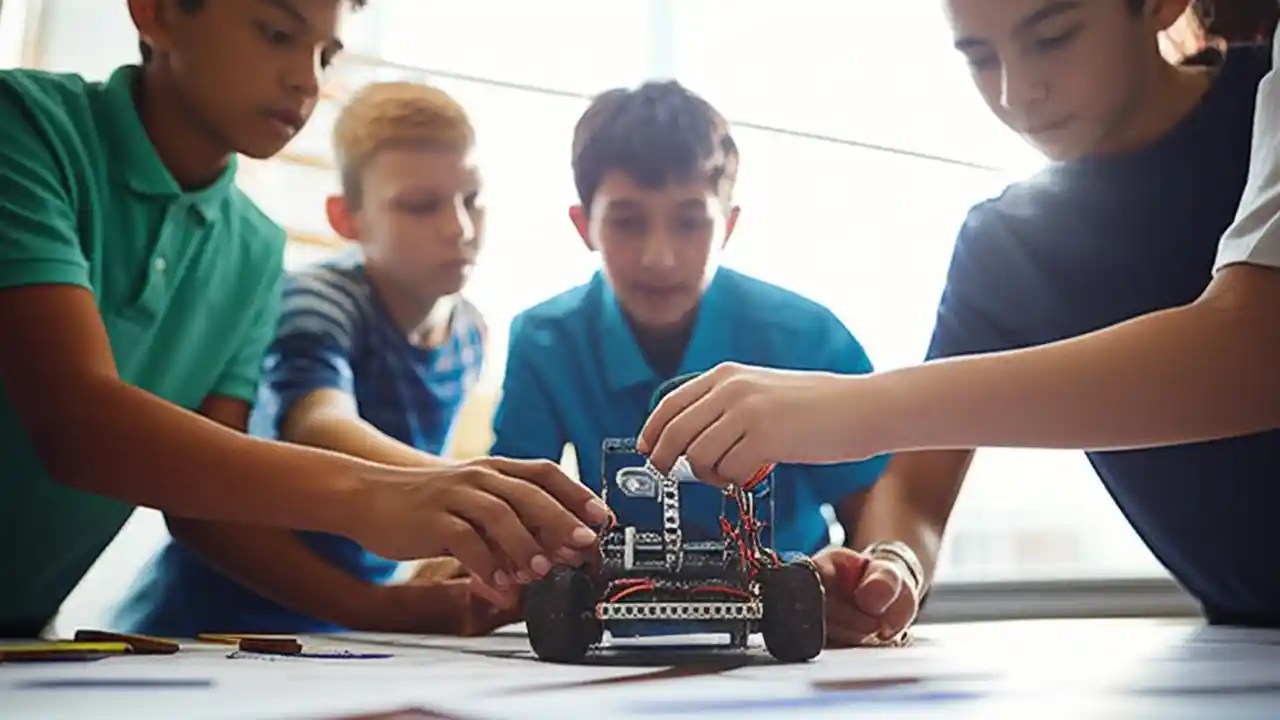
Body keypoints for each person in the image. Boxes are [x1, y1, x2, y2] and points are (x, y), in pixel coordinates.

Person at [638, 0, 1280, 643]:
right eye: (978, 57)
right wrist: (889, 564)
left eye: (1053, 38)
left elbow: (1254, 348)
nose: (1016, 92)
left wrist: (853, 407)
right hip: (1249, 641)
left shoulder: (1264, 103)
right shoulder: (1008, 243)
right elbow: (916, 490)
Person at [0, 0, 603, 639]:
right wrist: (385, 493)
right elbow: (74, 422)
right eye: (278, 34)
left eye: (325, 56)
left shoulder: (255, 248)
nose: (308, 82)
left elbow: (203, 509)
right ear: (158, 12)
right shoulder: (26, 126)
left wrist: (382, 607)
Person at [113, 81, 525, 636]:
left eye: (471, 198)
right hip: (210, 623)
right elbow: (317, 421)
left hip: (340, 629)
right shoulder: (318, 299)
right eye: (420, 205)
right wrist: (471, 485)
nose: (460, 227)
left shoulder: (470, 331)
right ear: (345, 219)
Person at [490, 80, 888, 570]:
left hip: (788, 615)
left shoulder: (810, 337)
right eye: (628, 222)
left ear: (730, 225)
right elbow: (516, 505)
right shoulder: (543, 341)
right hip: (619, 609)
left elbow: (878, 504)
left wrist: (867, 581)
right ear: (583, 226)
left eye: (689, 221)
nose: (660, 258)